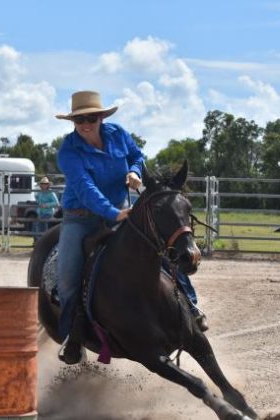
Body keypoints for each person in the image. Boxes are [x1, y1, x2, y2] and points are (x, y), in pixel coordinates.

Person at [54, 90, 205, 365]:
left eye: (91, 117)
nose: (86, 124)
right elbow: (85, 189)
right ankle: (71, 337)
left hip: (122, 209)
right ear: (73, 123)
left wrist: (135, 171)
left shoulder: (118, 134)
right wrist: (115, 213)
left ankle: (191, 307)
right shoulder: (68, 151)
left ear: (101, 117)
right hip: (82, 217)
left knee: (162, 251)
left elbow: (138, 155)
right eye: (79, 120)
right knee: (67, 276)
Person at [33, 176, 60, 242]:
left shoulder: (51, 193)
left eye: (45, 184)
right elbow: (38, 201)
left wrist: (47, 205)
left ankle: (40, 241)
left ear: (48, 185)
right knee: (36, 225)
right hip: (40, 212)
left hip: (48, 212)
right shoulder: (39, 193)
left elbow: (56, 203)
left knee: (41, 224)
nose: (44, 185)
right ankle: (37, 241)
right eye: (42, 184)